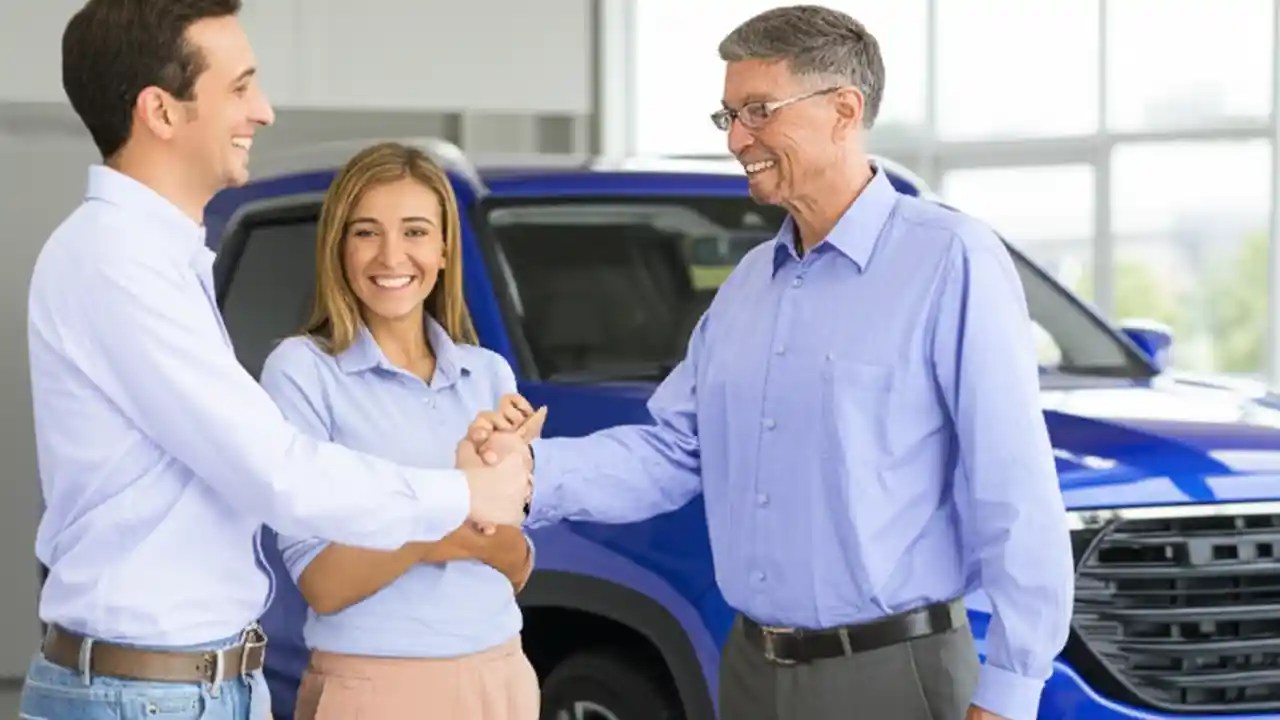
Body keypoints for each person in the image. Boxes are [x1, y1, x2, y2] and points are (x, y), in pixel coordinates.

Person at [467, 5, 1074, 720]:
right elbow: (673, 450)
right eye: (727, 116)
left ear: (843, 110)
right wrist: (527, 474)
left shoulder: (948, 258)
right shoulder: (751, 284)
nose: (738, 139)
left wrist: (1011, 690)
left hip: (890, 676)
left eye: (758, 110)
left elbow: (1014, 486)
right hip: (751, 668)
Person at [21, 3, 529, 719]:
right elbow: (277, 473)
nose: (262, 111)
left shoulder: (164, 261)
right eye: (240, 88)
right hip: (146, 698)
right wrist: (467, 496)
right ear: (160, 111)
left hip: (197, 685)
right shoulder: (116, 263)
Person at [257, 141, 544, 720]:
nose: (391, 256)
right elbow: (324, 581)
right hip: (376, 688)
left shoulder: (488, 373)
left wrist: (474, 510)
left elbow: (515, 566)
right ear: (338, 247)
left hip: (502, 677)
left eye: (415, 232)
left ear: (443, 249)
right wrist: (460, 516)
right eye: (366, 232)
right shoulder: (302, 371)